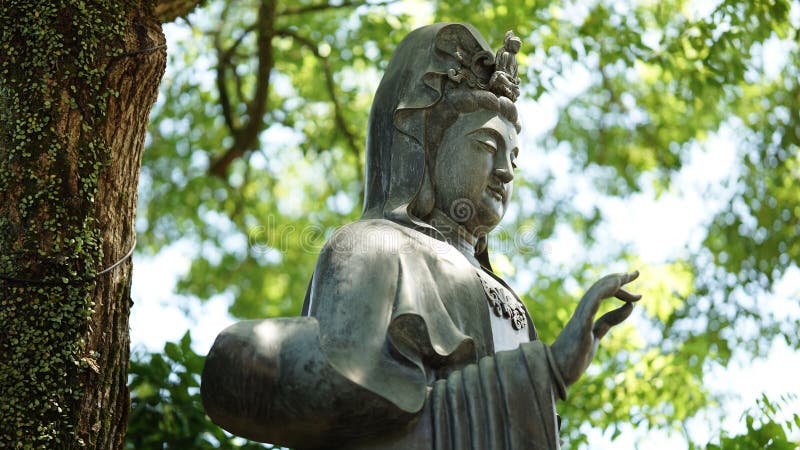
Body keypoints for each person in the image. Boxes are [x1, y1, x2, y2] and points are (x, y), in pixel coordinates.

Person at [201, 23, 641, 450]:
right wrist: (544, 369)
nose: (505, 172)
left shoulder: (510, 300)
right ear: (427, 148)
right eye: (487, 147)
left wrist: (545, 375)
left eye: (513, 157)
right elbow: (342, 392)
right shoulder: (376, 247)